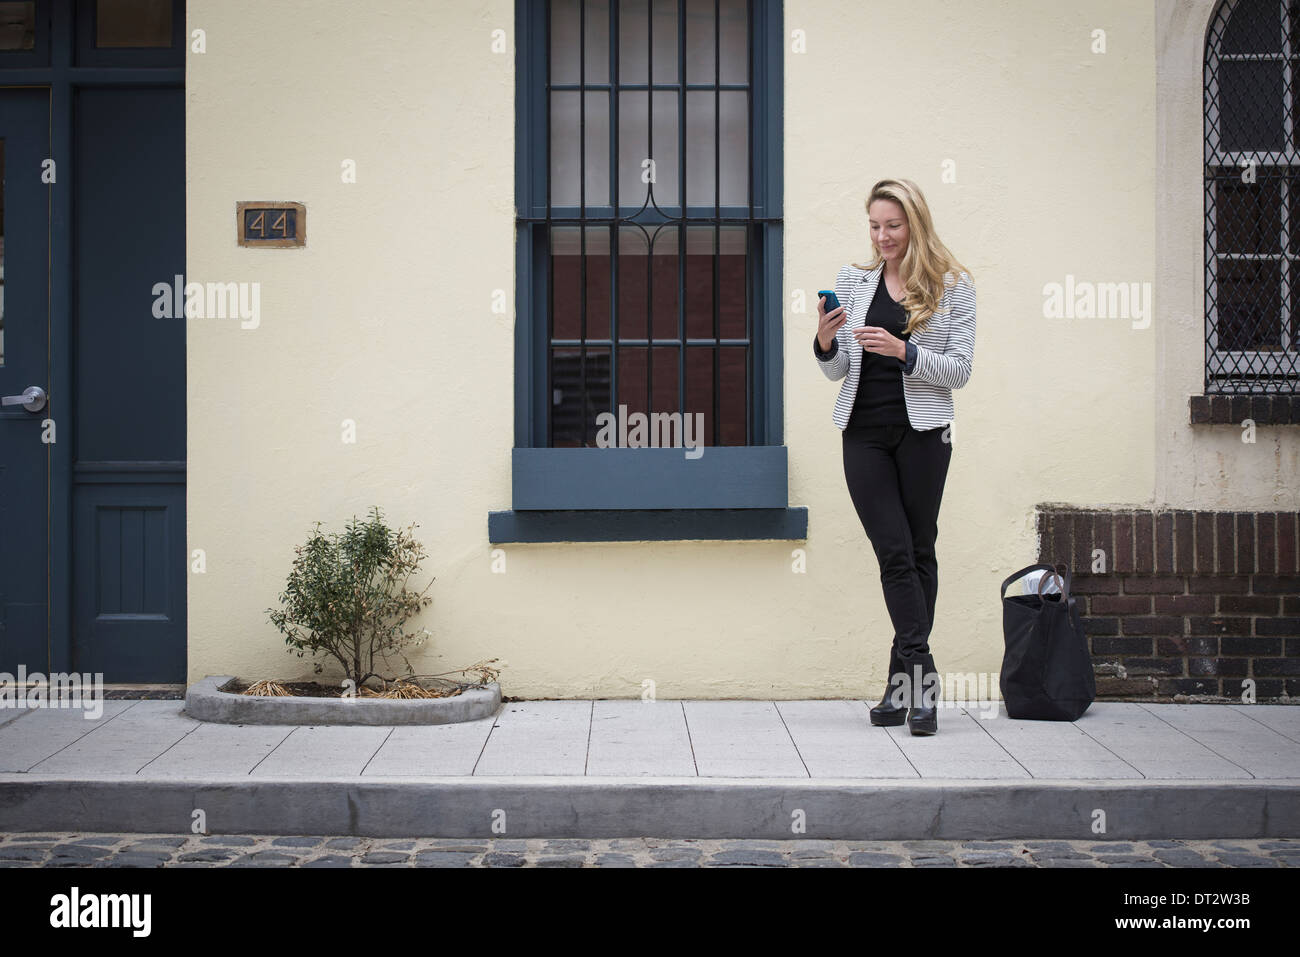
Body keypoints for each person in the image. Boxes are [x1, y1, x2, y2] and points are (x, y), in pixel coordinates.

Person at [813, 178, 976, 736]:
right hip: (863, 434)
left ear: (915, 224)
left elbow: (959, 371)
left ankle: (895, 688)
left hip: (924, 435)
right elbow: (837, 372)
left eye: (893, 225)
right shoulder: (853, 282)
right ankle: (923, 682)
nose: (883, 237)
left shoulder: (953, 287)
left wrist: (905, 351)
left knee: (919, 550)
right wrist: (826, 342)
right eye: (875, 226)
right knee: (893, 553)